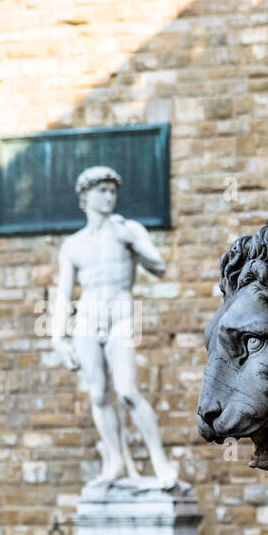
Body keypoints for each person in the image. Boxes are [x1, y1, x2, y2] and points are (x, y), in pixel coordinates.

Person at [50, 165, 177, 488]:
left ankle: (159, 460)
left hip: (121, 312)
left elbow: (159, 266)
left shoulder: (128, 228)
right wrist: (58, 337)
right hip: (89, 316)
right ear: (85, 196)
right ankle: (117, 460)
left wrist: (133, 242)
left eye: (112, 191)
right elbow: (64, 293)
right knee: (98, 394)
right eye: (101, 191)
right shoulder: (74, 244)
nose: (109, 197)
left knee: (128, 390)